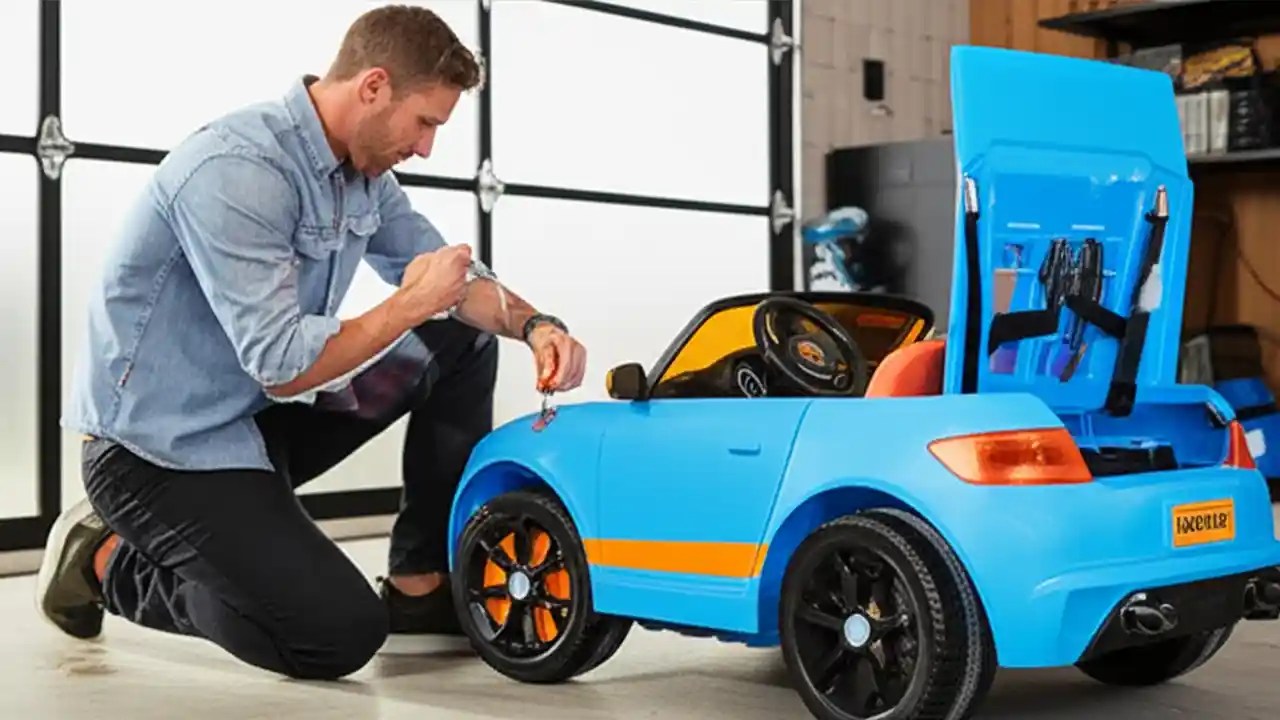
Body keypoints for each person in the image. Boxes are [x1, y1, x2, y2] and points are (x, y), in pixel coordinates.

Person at [35, 5, 586, 681]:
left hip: (255, 422)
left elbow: (449, 279)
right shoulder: (236, 170)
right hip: (158, 453)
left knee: (460, 338)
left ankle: (419, 586)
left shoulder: (363, 178)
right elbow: (282, 365)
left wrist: (536, 325)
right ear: (374, 86)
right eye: (425, 123)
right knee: (338, 634)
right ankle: (106, 560)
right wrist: (411, 302)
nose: (425, 148)